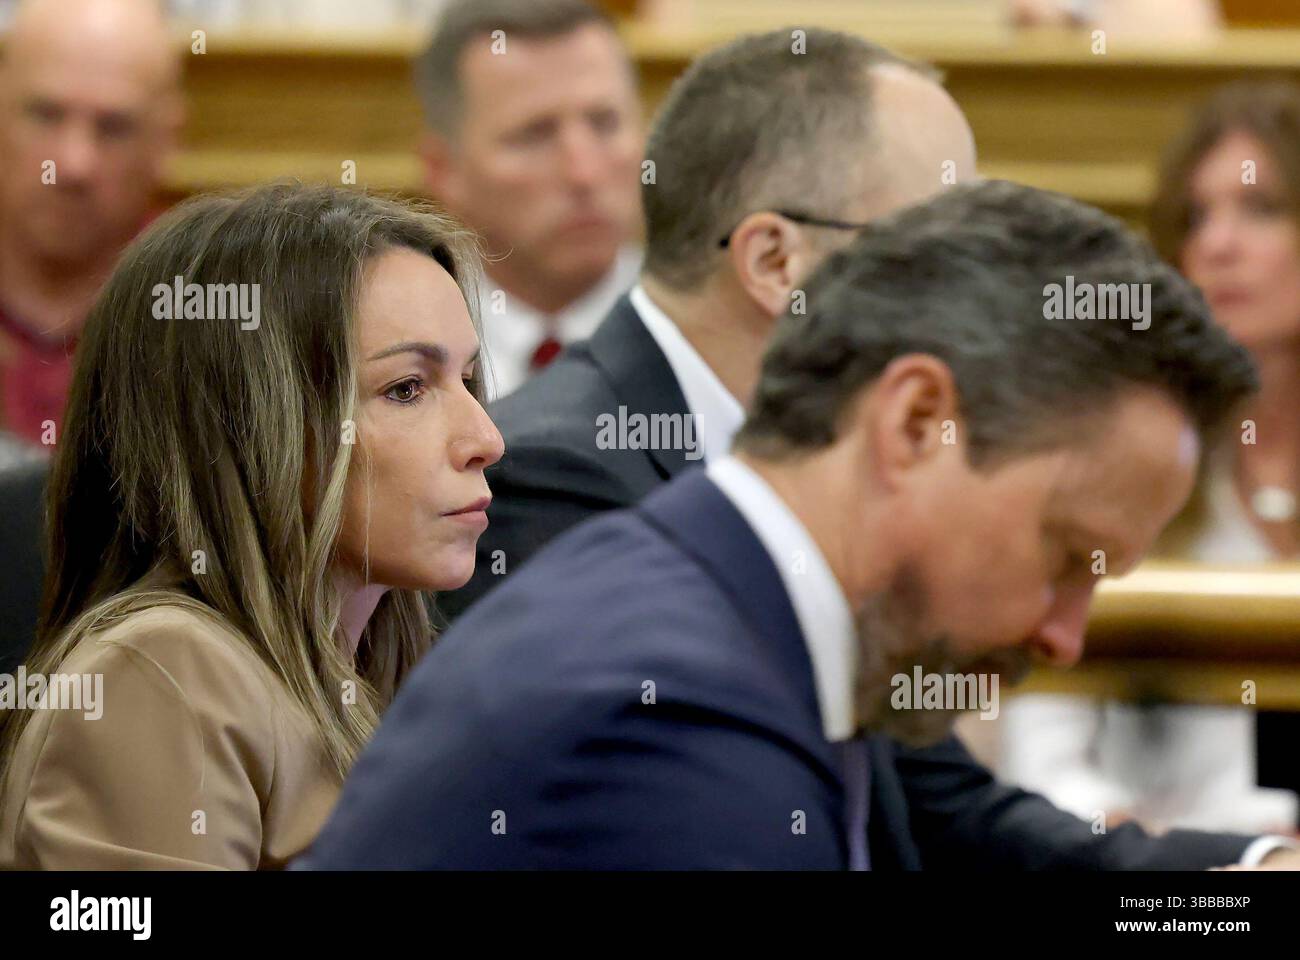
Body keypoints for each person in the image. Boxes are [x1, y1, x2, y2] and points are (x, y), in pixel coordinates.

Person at [299, 179, 1293, 870]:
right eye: (1067, 555)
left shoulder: (720, 611)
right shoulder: (671, 727)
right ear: (913, 424)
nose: (1066, 635)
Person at [0, 183, 504, 869]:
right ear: (245, 428)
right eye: (407, 388)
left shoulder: (385, 674)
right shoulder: (160, 674)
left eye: (468, 381)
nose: (485, 437)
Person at [436, 27, 975, 622]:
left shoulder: (865, 453)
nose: (968, 284)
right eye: (936, 242)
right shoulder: (550, 481)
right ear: (774, 262)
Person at [1000, 80, 1300, 834]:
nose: (1218, 244)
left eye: (1260, 208)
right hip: (1175, 898)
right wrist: (1133, 842)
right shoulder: (1118, 465)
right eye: (1195, 220)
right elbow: (1041, 759)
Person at [414, 0, 643, 399]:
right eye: (533, 135)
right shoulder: (401, 365)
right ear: (444, 171)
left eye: (604, 122)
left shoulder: (721, 338)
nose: (583, 173)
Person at [0, 0, 182, 446]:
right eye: (45, 113)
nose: (73, 163)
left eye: (114, 126)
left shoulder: (203, 310)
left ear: (166, 138)